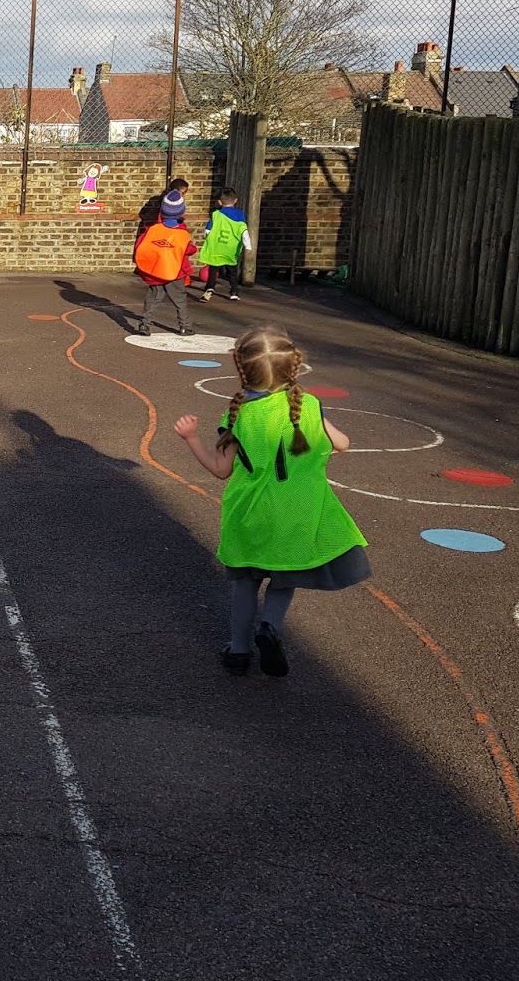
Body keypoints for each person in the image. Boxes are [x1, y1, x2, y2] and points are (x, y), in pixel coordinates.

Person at [173, 324, 370, 677]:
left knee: (245, 583)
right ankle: (270, 627)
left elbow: (220, 469)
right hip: (299, 510)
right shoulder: (308, 405)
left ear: (242, 369)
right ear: (292, 366)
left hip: (250, 512)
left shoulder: (239, 415)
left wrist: (190, 439)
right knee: (284, 577)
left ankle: (237, 650)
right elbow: (342, 444)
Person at [133, 189, 197, 336]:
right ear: (182, 212)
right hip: (175, 272)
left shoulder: (153, 229)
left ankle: (145, 324)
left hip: (156, 271)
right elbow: (190, 250)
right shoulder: (182, 233)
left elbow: (141, 246)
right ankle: (184, 326)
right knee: (180, 300)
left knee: (153, 299)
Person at [198, 187, 252, 302]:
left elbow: (207, 231)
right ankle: (234, 292)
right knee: (232, 271)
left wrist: (208, 240)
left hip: (217, 249)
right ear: (236, 200)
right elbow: (244, 231)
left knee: (213, 270)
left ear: (219, 202)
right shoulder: (239, 215)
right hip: (231, 250)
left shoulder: (215, 215)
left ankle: (210, 288)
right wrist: (248, 246)